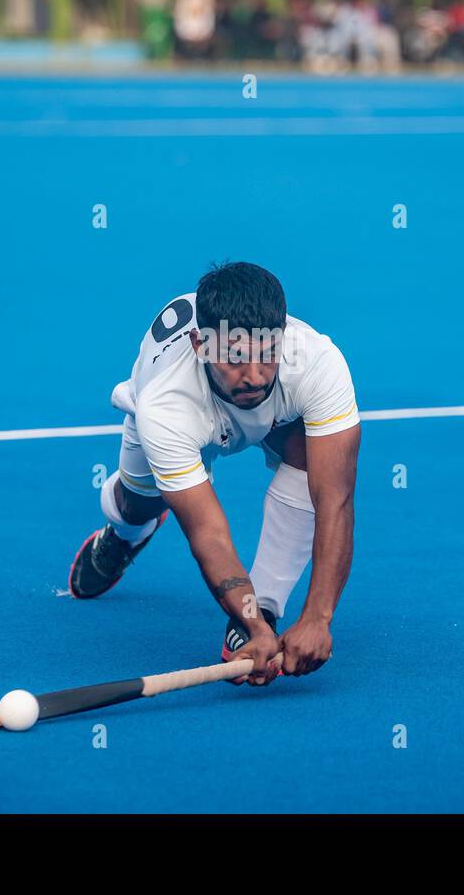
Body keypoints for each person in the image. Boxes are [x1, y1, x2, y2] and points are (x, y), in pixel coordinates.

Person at [68, 262, 361, 687]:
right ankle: (125, 537)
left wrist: (314, 617)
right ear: (200, 345)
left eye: (267, 356)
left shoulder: (317, 362)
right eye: (236, 359)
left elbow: (335, 498)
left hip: (277, 418)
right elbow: (209, 533)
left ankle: (265, 605)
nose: (255, 376)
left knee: (310, 458)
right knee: (137, 505)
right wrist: (260, 638)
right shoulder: (165, 406)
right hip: (186, 421)